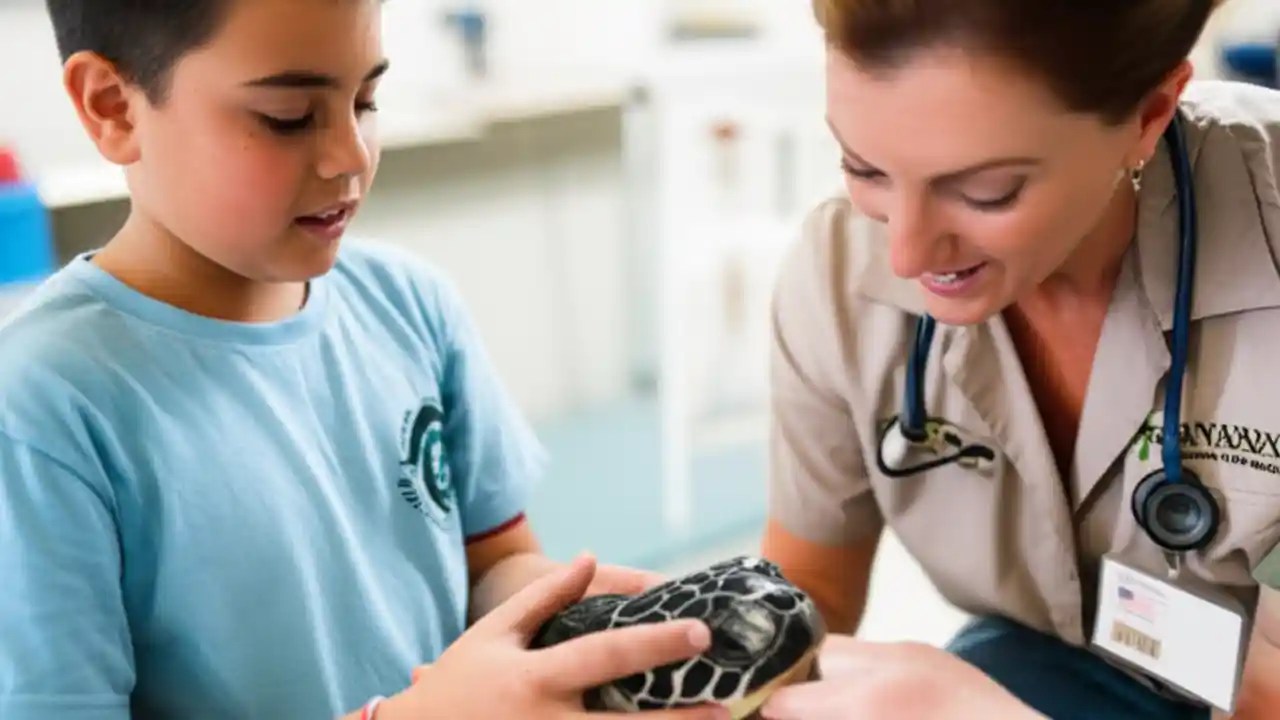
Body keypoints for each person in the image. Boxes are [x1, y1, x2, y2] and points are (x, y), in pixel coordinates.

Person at [0, 2, 729, 719]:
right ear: (112, 107)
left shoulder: (409, 305)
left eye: (367, 98)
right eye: (288, 115)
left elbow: (492, 566)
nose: (350, 153)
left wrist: (584, 620)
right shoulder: (44, 406)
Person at [756, 0, 1280, 718]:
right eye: (864, 169)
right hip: (1038, 664)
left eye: (986, 191)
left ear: (1149, 115)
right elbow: (809, 587)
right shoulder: (841, 270)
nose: (905, 254)